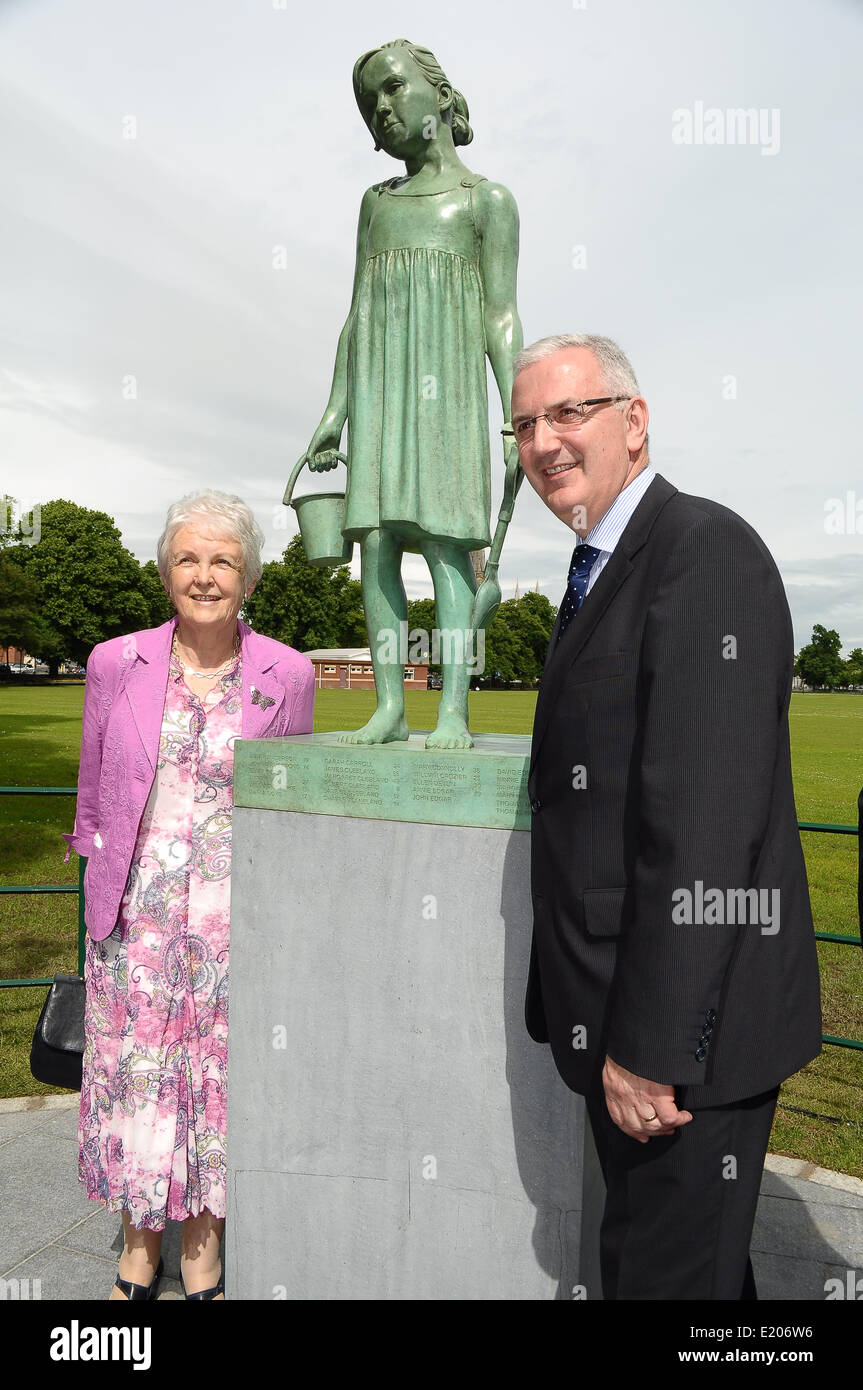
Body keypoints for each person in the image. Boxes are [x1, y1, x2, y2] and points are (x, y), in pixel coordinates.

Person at [510, 334, 822, 1300]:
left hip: (686, 1046)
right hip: (622, 1022)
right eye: (524, 424)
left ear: (633, 422)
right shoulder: (600, 567)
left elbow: (705, 835)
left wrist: (650, 1051)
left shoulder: (702, 552)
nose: (544, 441)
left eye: (570, 412)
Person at [63, 490, 314, 1300]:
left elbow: (290, 802)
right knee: (139, 1077)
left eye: (223, 561)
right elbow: (94, 794)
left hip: (234, 921)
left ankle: (202, 1251)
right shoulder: (114, 662)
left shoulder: (290, 672)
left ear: (248, 577)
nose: (204, 576)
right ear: (165, 568)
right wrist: (98, 887)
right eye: (187, 558)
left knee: (214, 1082)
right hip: (134, 919)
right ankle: (139, 1251)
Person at [298, 37, 521, 748]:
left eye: (391, 89)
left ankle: (452, 708)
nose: (381, 109)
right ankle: (390, 707)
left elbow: (502, 317)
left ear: (440, 94)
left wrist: (519, 414)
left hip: (448, 400)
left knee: (448, 549)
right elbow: (358, 311)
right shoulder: (376, 204)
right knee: (380, 546)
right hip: (382, 397)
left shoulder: (486, 200)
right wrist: (335, 411)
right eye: (370, 103)